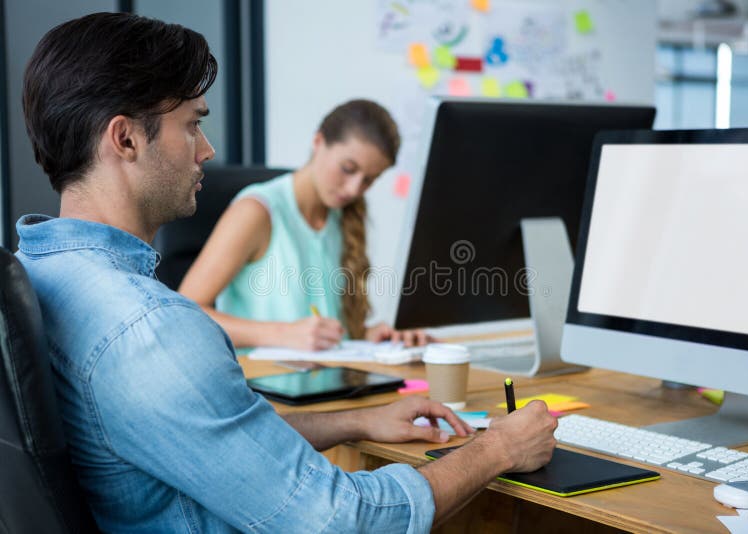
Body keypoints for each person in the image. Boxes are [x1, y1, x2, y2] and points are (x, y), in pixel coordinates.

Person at [16, 12, 557, 533]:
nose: (208, 150)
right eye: (193, 125)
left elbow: (208, 434)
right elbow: (347, 522)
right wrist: (498, 448)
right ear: (126, 139)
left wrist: (353, 421)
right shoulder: (150, 330)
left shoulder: (39, 275)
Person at [179, 99, 425, 350]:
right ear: (318, 143)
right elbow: (186, 313)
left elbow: (325, 330)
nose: (354, 189)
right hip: (261, 385)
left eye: (369, 180)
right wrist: (282, 334)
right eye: (348, 168)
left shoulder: (342, 218)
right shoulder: (257, 212)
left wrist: (365, 336)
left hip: (328, 385)